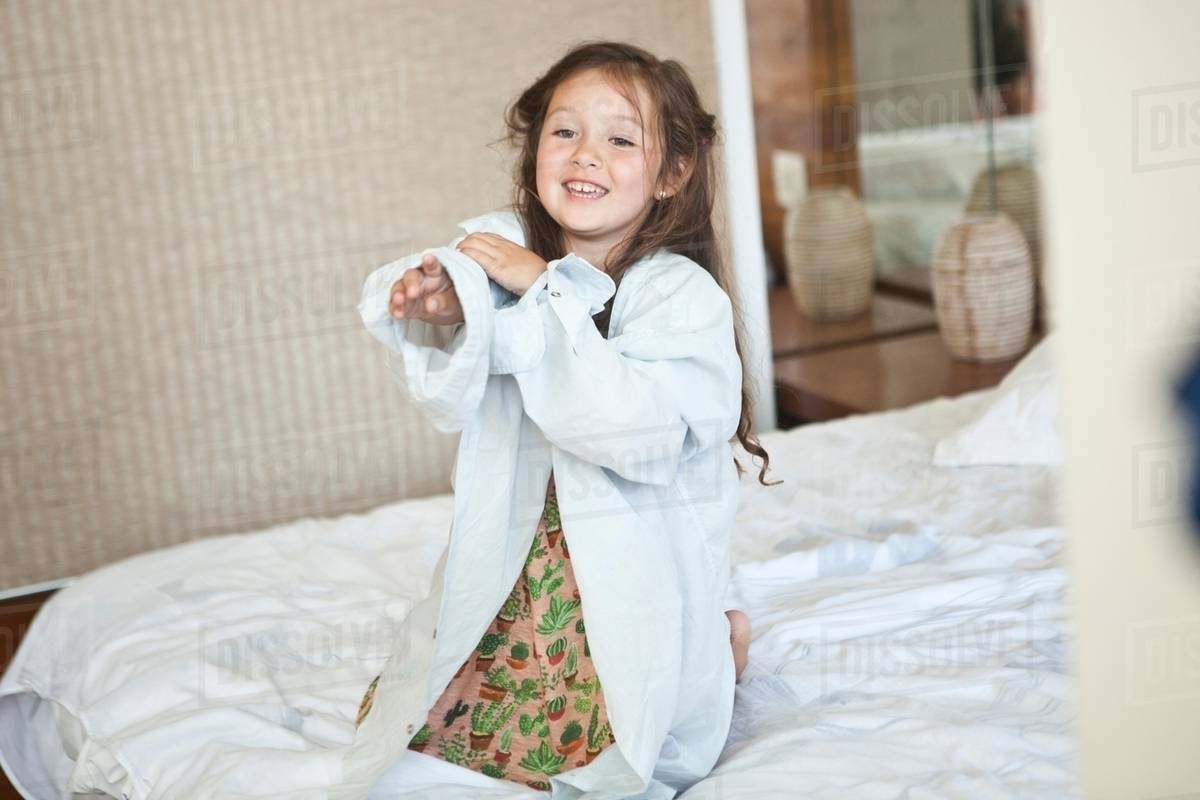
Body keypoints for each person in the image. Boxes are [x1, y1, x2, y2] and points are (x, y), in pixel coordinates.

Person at [353, 40, 778, 799]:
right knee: (421, 714)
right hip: (532, 567)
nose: (587, 155)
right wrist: (451, 303)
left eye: (620, 139)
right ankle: (719, 640)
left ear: (671, 174)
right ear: (535, 150)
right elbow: (460, 333)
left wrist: (542, 289)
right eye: (565, 131)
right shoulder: (510, 248)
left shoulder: (677, 296)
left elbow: (635, 433)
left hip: (636, 568)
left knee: (630, 714)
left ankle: (719, 643)